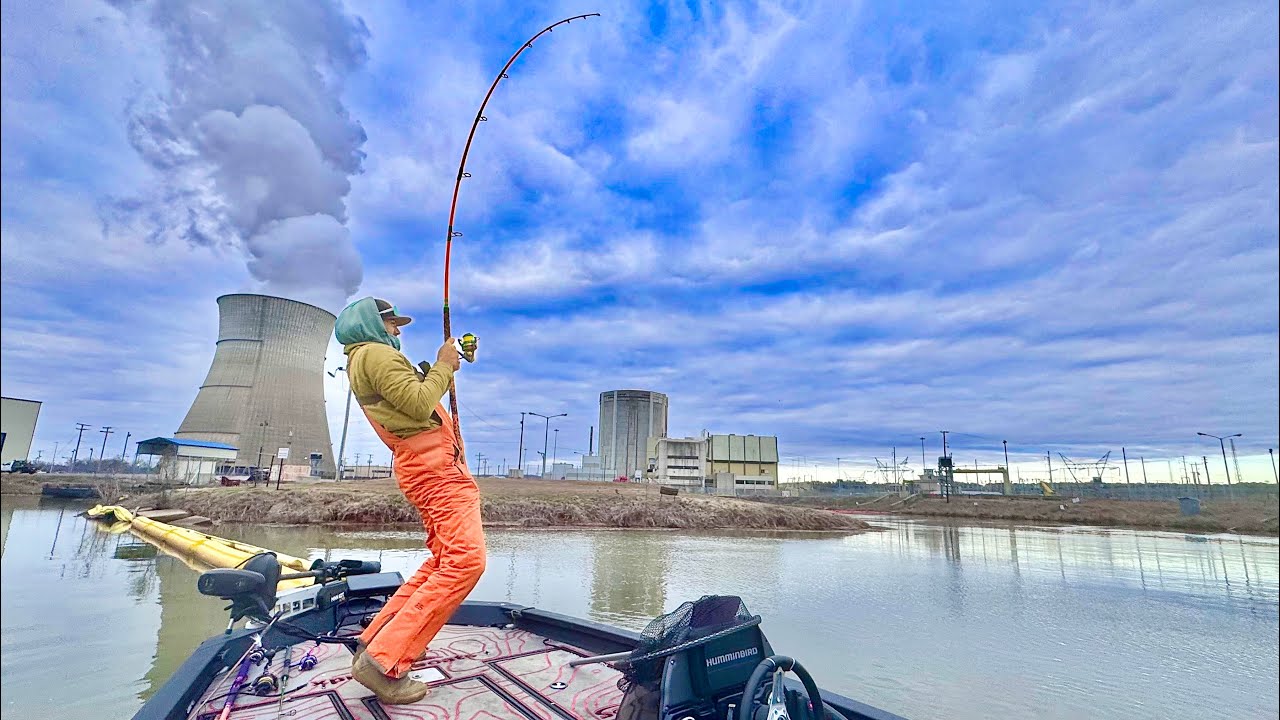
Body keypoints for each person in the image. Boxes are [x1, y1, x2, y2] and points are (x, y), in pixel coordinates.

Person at [333, 296, 485, 704]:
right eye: (391, 324)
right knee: (466, 562)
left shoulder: (365, 358)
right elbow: (419, 403)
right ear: (371, 324)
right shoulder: (377, 355)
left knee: (443, 560)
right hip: (434, 467)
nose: (398, 331)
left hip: (427, 464)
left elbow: (413, 403)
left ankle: (377, 643)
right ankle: (384, 662)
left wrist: (443, 369)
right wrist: (443, 365)